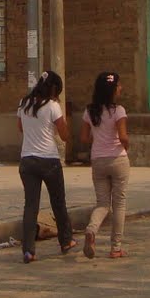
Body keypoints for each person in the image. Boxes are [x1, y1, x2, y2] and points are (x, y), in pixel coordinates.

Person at [16, 70, 74, 263]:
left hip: (27, 160)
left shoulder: (24, 103)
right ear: (54, 89)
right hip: (49, 160)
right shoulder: (52, 106)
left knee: (30, 206)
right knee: (58, 202)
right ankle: (65, 241)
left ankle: (28, 250)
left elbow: (20, 127)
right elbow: (64, 135)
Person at [80, 71, 131, 259]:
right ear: (113, 90)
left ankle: (92, 229)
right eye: (118, 85)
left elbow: (84, 138)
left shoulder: (89, 111)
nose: (121, 88)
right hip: (118, 159)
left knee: (102, 203)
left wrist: (98, 138)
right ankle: (115, 248)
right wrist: (126, 145)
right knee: (119, 204)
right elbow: (123, 136)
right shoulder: (119, 111)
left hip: (98, 160)